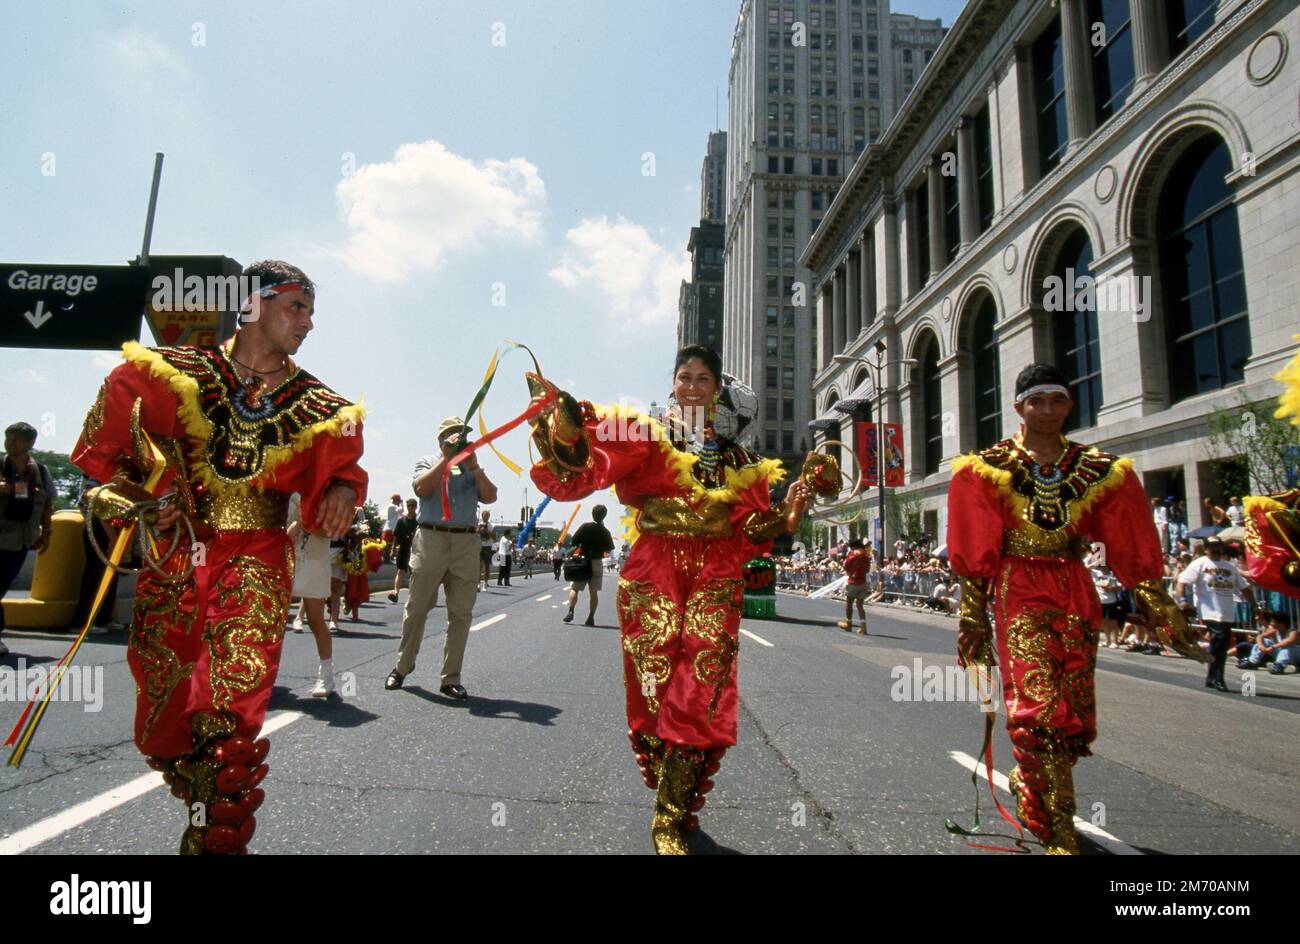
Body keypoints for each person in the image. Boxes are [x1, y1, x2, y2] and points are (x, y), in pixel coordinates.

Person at [71, 259, 367, 854]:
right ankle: (196, 792)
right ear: (253, 304)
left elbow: (341, 476)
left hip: (256, 565)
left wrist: (339, 492)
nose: (308, 323)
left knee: (232, 723)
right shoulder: (164, 375)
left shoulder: (320, 405)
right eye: (297, 307)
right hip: (177, 562)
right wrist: (145, 503)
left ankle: (214, 832)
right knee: (165, 721)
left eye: (311, 311)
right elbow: (106, 474)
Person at [528, 344, 813, 854]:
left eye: (704, 378)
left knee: (701, 682)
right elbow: (589, 463)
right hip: (654, 566)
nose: (694, 386)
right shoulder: (646, 435)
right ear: (673, 384)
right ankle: (670, 795)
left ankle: (669, 817)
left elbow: (750, 529)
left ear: (717, 389)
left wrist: (788, 512)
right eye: (685, 376)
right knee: (654, 682)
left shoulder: (739, 460)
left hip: (716, 570)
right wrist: (565, 428)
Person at [947, 363, 1208, 855]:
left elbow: (1130, 543)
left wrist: (1159, 606)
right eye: (1037, 401)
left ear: (1069, 405)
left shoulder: (1102, 470)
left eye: (1057, 400)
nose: (1047, 410)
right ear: (1018, 407)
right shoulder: (986, 467)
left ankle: (1032, 790)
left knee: (1073, 713)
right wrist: (972, 619)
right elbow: (974, 549)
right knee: (1039, 707)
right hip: (1018, 589)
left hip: (1076, 591)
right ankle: (1057, 828)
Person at [385, 416, 497, 699]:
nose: (460, 439)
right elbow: (422, 488)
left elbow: (491, 496)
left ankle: (451, 677)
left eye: (463, 435)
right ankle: (402, 666)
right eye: (453, 435)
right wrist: (445, 460)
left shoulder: (472, 468)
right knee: (418, 607)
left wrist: (475, 467)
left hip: (465, 542)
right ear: (440, 439)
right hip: (432, 538)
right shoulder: (427, 461)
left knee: (461, 613)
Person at [0, 422, 57, 656]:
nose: (10, 444)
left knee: (1, 585)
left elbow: (48, 505)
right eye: (8, 438)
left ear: (30, 443)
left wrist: (47, 533)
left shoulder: (40, 471)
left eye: (16, 439)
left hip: (21, 539)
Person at [1177, 536, 1255, 691]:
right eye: (1212, 547)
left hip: (1226, 612)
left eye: (1218, 546)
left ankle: (1212, 676)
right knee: (1219, 640)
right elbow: (1182, 581)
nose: (1215, 550)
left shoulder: (1230, 567)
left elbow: (1244, 587)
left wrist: (1254, 605)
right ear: (1206, 549)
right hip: (1208, 611)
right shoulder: (1200, 564)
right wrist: (1182, 599)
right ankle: (1217, 677)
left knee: (1221, 644)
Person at [287, 492, 336, 697]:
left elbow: (330, 531)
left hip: (314, 558)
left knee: (316, 620)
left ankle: (326, 676)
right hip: (284, 555)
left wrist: (303, 523)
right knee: (271, 621)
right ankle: (261, 676)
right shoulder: (283, 484)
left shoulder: (324, 487)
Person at [561, 505, 615, 626]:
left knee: (575, 588)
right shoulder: (605, 531)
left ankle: (571, 611)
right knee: (593, 592)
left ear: (592, 514)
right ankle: (590, 617)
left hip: (583, 562)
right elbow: (610, 547)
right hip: (596, 561)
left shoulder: (585, 526)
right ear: (604, 516)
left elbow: (574, 541)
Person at [1237, 609, 1299, 673]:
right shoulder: (1275, 631)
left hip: (1295, 656)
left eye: (1273, 621)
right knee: (1265, 641)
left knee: (1286, 646)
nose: (1271, 623)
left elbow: (1289, 641)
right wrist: (1262, 647)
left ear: (1281, 623)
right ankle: (1252, 662)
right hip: (1284, 655)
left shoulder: (1293, 631)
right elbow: (1260, 636)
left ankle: (1280, 664)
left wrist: (1273, 647)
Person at [388, 498, 418, 602]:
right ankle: (395, 593)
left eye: (412, 505)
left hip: (415, 549)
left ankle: (414, 594)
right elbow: (395, 536)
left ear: (415, 507)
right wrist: (393, 549)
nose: (410, 508)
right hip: (403, 548)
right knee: (400, 571)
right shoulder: (401, 521)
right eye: (409, 505)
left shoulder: (418, 521)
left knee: (414, 572)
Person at [840, 537, 870, 634]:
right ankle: (863, 627)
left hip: (853, 580)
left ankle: (848, 622)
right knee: (860, 605)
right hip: (863, 581)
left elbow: (846, 566)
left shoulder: (852, 553)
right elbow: (867, 569)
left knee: (849, 602)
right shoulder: (865, 554)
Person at [477, 510, 495, 591]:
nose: (486, 517)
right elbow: (474, 534)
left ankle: (485, 583)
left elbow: (494, 538)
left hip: (488, 547)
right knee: (478, 566)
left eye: (488, 515)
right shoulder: (478, 524)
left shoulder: (492, 525)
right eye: (485, 515)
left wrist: (487, 530)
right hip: (479, 546)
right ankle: (478, 584)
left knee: (487, 566)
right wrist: (479, 529)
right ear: (482, 516)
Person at [381, 493, 402, 563]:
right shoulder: (392, 506)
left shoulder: (393, 507)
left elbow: (400, 514)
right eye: (399, 500)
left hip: (390, 528)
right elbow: (401, 510)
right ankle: (385, 559)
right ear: (396, 500)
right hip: (389, 529)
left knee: (388, 545)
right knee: (387, 545)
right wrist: (401, 504)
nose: (399, 501)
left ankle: (386, 559)